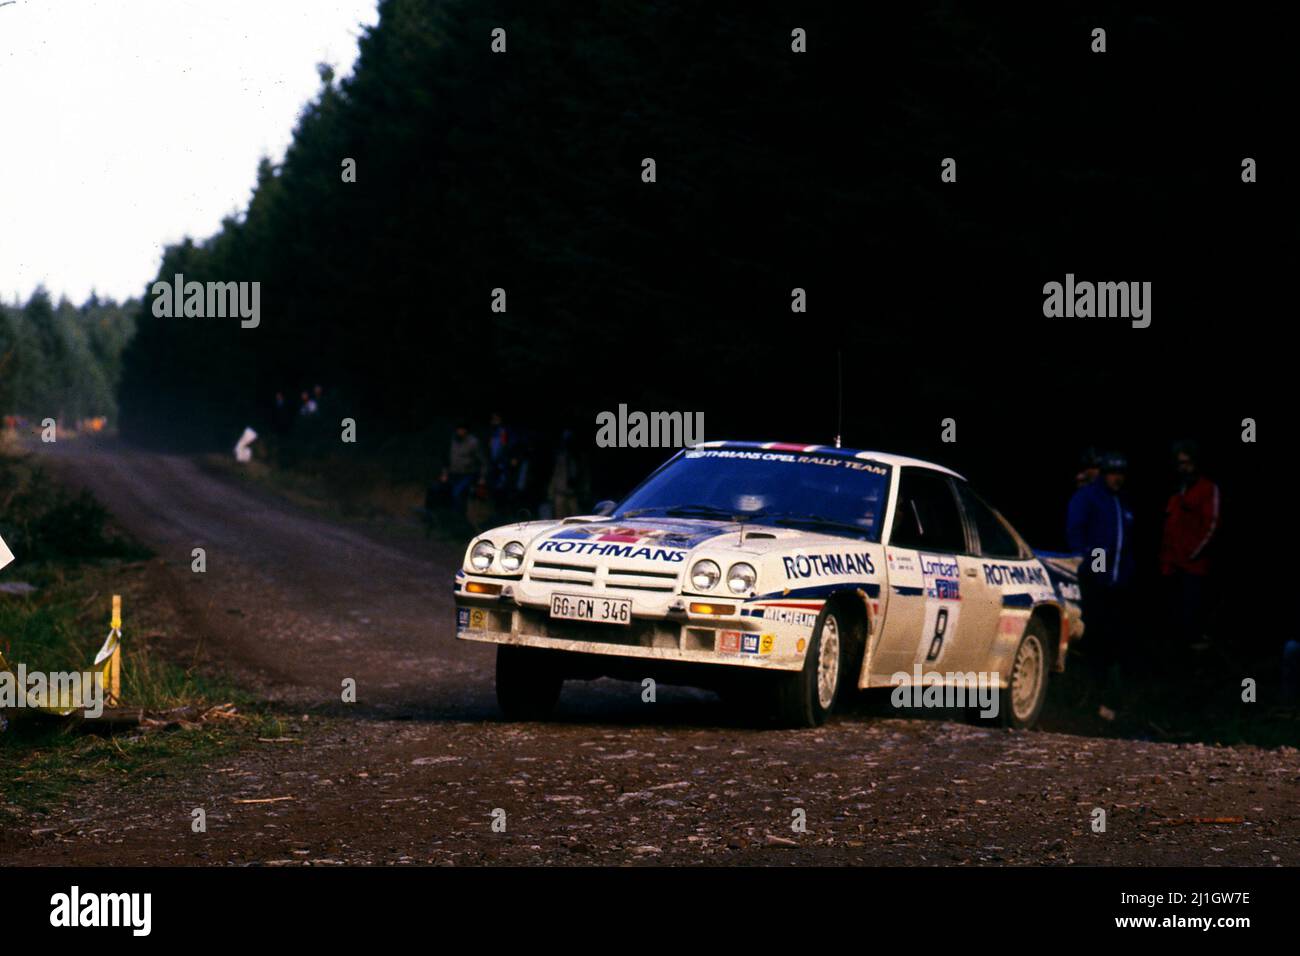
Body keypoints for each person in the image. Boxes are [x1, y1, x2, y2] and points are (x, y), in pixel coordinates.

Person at [1067, 452, 1136, 702]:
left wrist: (1124, 573)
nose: (1117, 478)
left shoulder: (1122, 502)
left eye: (1121, 474)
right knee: (1094, 630)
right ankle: (1088, 688)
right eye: (1112, 473)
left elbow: (1126, 543)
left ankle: (1110, 690)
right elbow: (1078, 532)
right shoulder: (1090, 497)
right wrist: (1095, 568)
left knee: (1115, 632)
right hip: (1098, 579)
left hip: (1119, 580)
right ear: (1104, 474)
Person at [1159, 440, 1219, 652]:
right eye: (1180, 463)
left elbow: (1211, 525)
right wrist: (1167, 560)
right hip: (1173, 565)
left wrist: (1192, 555)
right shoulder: (1178, 491)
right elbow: (1169, 525)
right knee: (1175, 613)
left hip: (1194, 566)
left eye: (1188, 463)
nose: (1184, 468)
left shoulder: (1208, 489)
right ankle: (1177, 654)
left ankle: (1197, 656)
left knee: (1193, 612)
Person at [440, 422, 487, 512]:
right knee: (448, 494)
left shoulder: (473, 442)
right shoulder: (453, 440)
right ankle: (452, 516)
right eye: (458, 429)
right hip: (453, 474)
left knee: (457, 494)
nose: (460, 431)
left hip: (467, 474)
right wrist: (444, 473)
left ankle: (459, 517)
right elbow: (446, 458)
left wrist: (482, 477)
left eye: (462, 429)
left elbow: (483, 462)